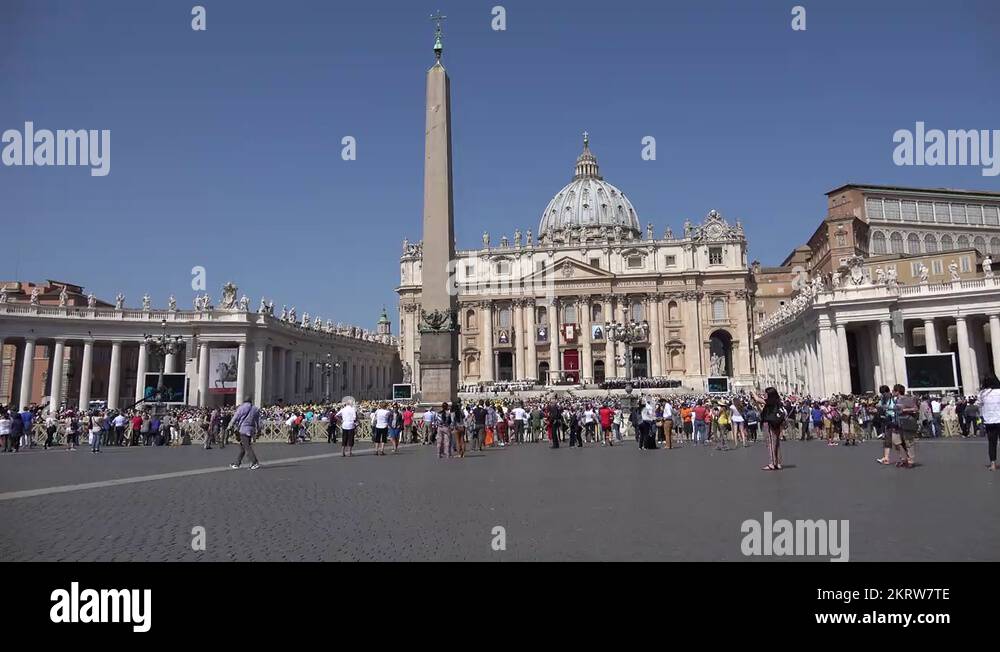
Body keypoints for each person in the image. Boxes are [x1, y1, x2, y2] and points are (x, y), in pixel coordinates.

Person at [228, 396, 261, 470]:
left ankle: (255, 462)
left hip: (243, 429)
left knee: (247, 447)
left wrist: (230, 425)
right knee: (243, 447)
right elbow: (258, 421)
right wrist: (259, 430)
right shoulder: (255, 409)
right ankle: (237, 463)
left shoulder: (241, 408)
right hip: (251, 429)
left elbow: (235, 417)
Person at [756, 387, 785, 471]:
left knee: (771, 443)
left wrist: (753, 393)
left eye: (766, 393)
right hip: (776, 423)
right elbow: (763, 411)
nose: (764, 395)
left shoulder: (770, 401)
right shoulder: (776, 401)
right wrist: (757, 404)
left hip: (769, 423)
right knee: (776, 443)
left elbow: (758, 399)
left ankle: (772, 463)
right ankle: (778, 462)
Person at [979, 375, 1000, 471]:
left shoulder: (982, 394)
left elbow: (980, 405)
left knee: (992, 443)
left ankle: (993, 464)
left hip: (989, 422)